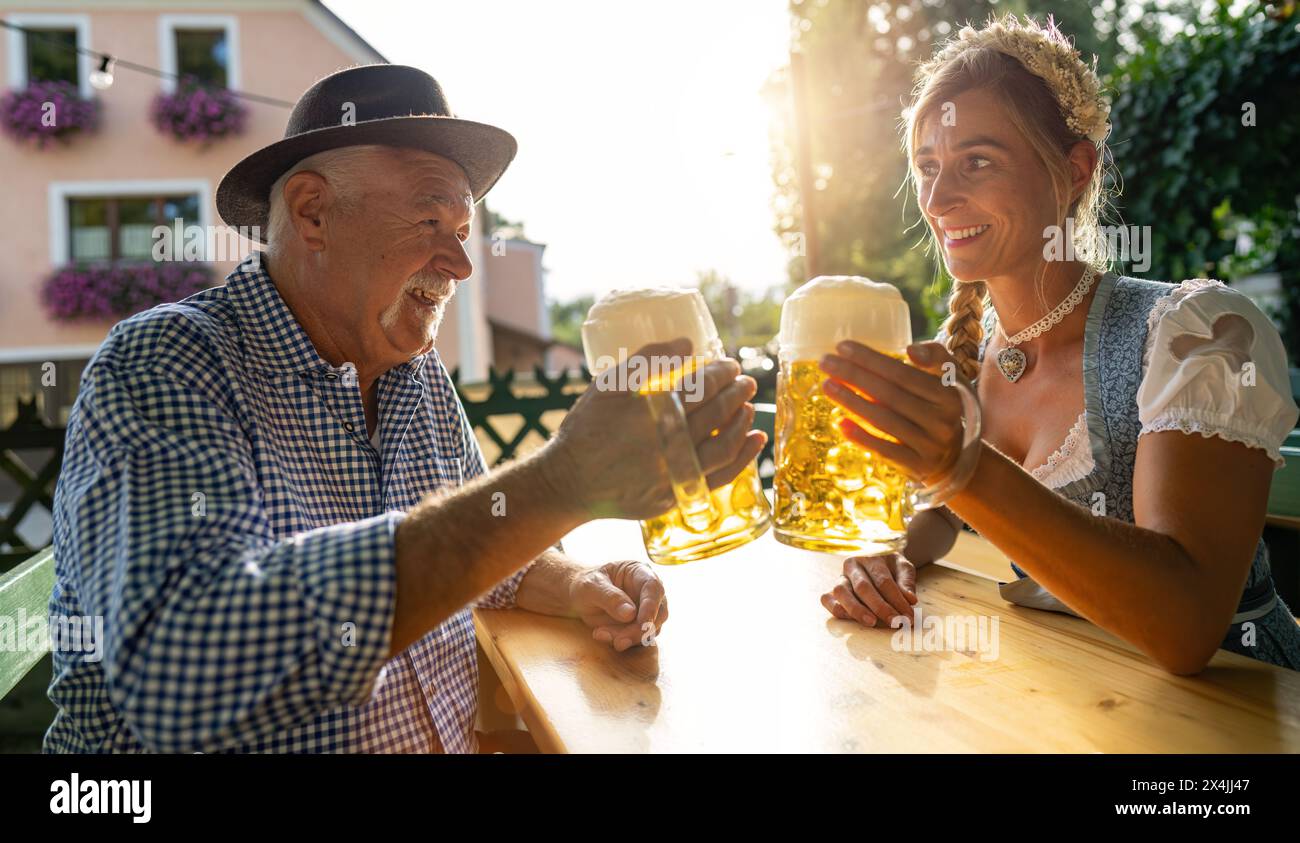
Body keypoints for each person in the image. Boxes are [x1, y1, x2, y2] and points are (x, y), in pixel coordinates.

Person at [45, 64, 765, 753]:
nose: (460, 264)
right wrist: (560, 481)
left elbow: (480, 541)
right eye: (430, 221)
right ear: (313, 210)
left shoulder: (412, 371)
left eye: (463, 229)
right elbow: (178, 669)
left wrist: (576, 582)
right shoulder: (168, 361)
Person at [816, 15, 1300, 675]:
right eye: (927, 167)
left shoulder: (1198, 334)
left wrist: (961, 467)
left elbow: (1187, 626)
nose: (937, 196)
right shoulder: (963, 350)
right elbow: (941, 513)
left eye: (976, 161)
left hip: (1239, 710)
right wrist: (896, 550)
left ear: (1074, 171)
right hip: (1066, 694)